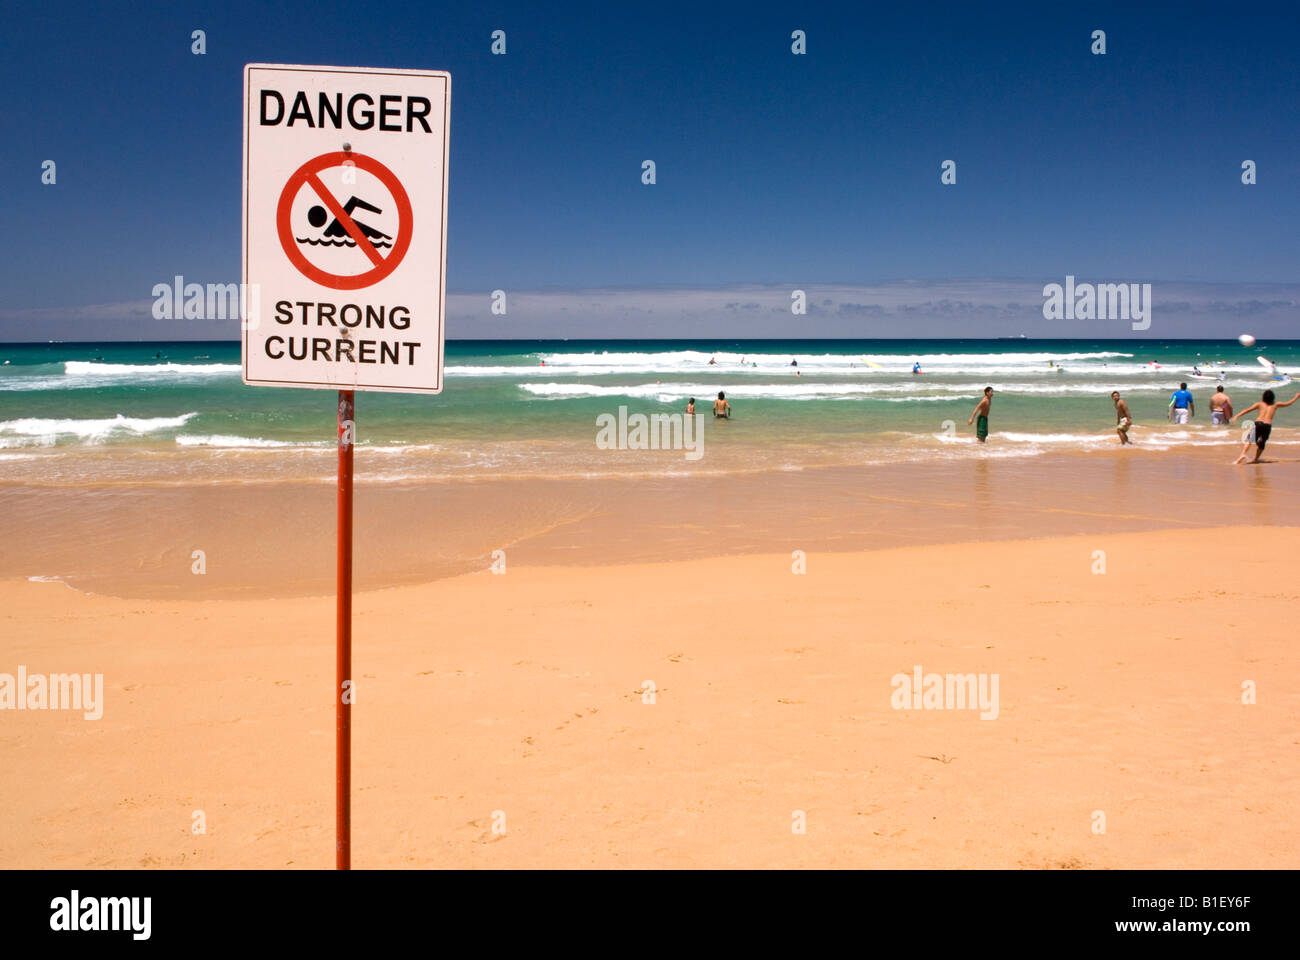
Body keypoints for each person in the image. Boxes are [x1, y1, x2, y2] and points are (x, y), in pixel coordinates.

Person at [1231, 389, 1299, 464]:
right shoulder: (1276, 404)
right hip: (1267, 425)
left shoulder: (1259, 404)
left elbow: (1247, 410)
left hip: (1258, 423)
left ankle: (1242, 454)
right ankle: (1256, 459)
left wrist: (1237, 416)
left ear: (1263, 397)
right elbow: (1288, 403)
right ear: (1273, 398)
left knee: (1250, 440)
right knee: (1262, 443)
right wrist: (1296, 397)